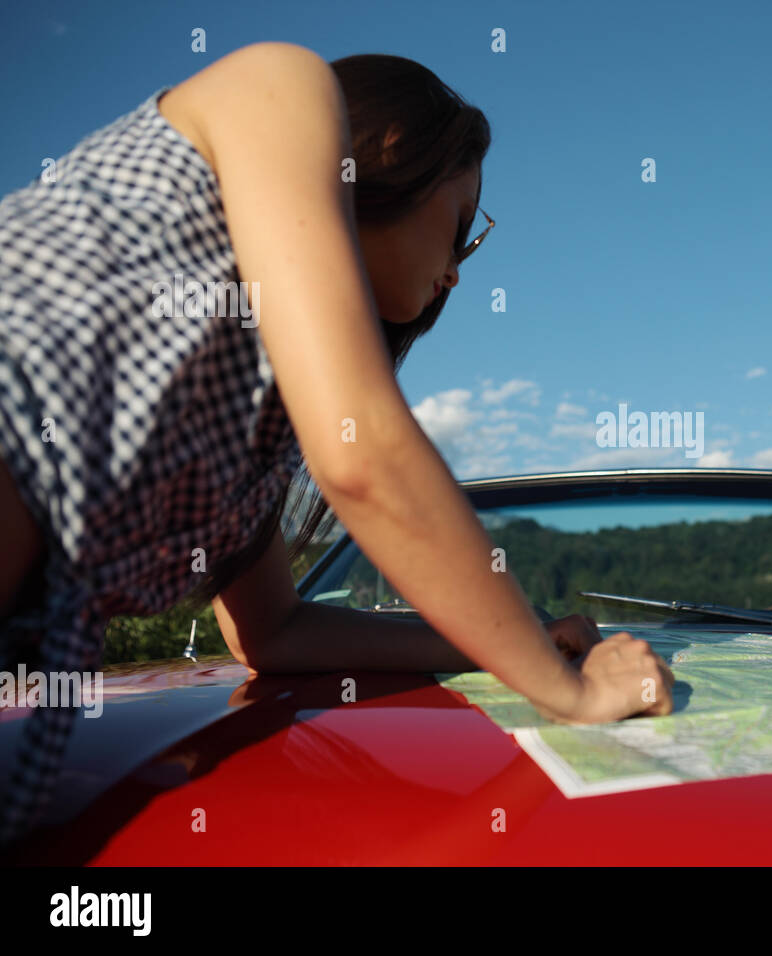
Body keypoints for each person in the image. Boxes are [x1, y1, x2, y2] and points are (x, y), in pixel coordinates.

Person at [0, 42, 673, 844]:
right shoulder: (277, 83)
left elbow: (276, 631)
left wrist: (523, 640)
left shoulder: (270, 424)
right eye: (462, 228)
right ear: (391, 149)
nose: (456, 275)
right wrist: (575, 696)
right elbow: (365, 461)